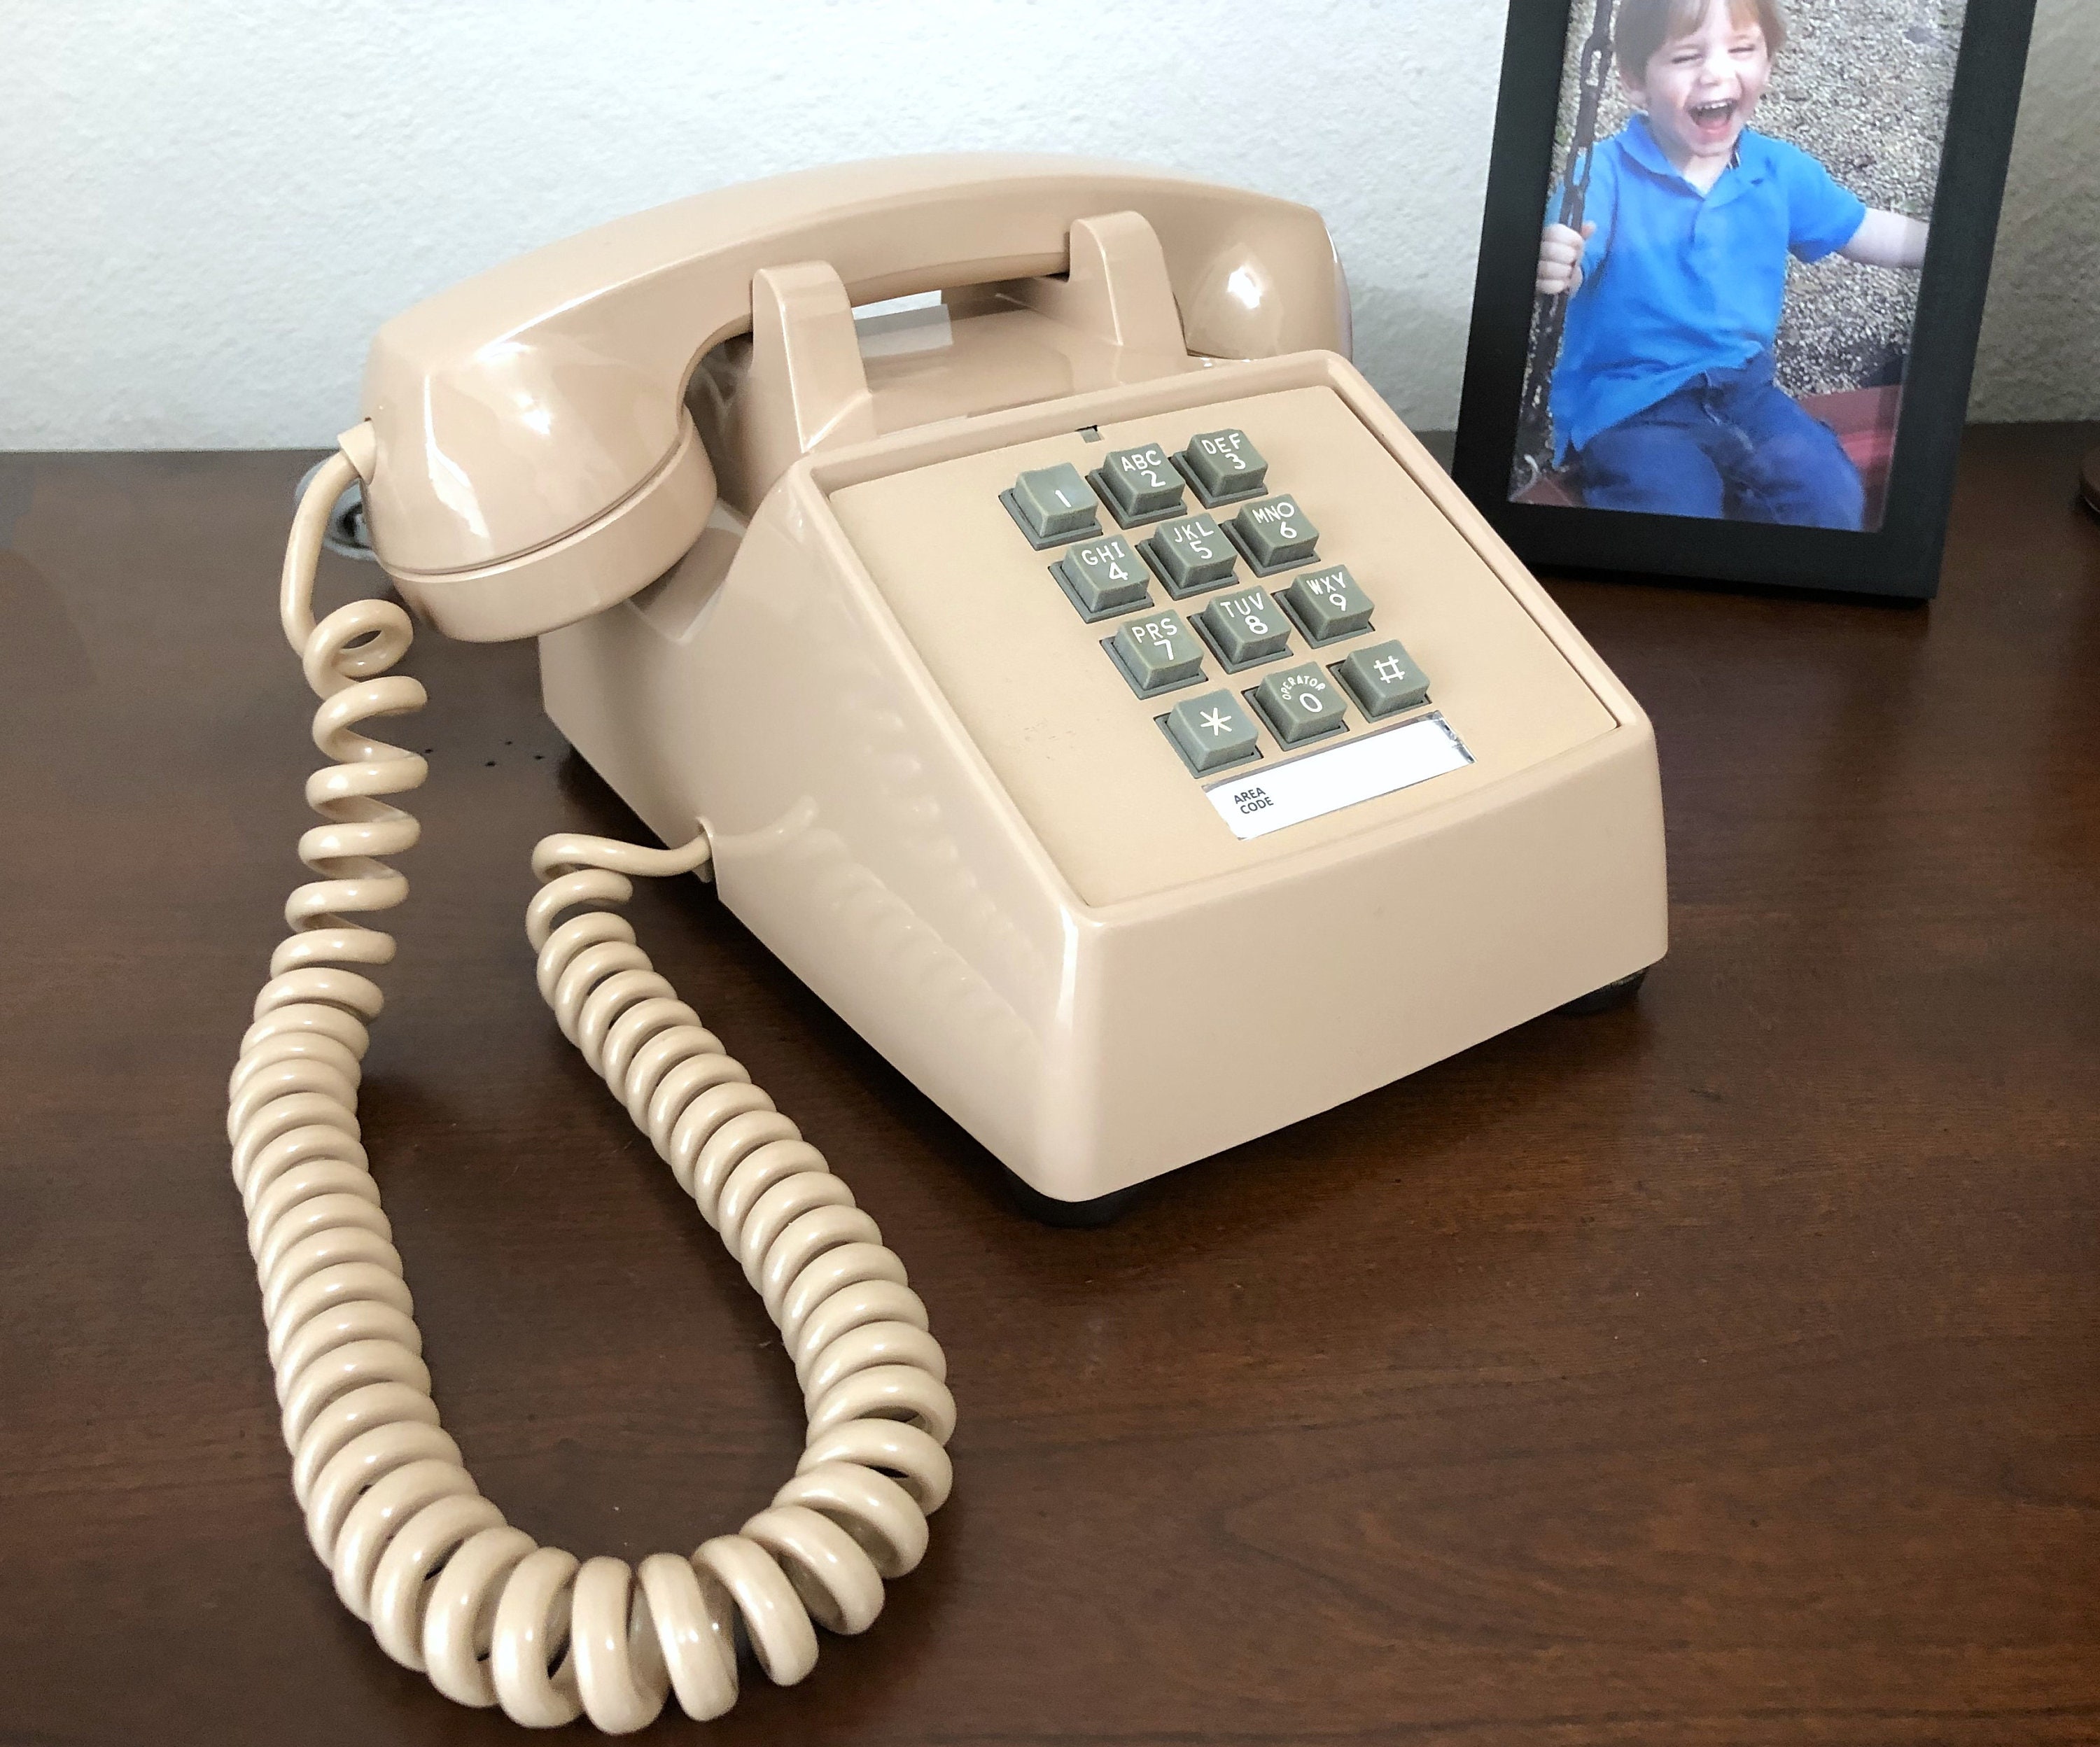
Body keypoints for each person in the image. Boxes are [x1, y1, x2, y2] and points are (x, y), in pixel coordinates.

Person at [1534, 0, 1928, 528]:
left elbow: (1859, 229)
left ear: (1767, 65)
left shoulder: (1779, 170)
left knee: (1826, 490)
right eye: (1686, 56)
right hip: (1632, 403)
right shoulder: (1603, 173)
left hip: (1746, 392)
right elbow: (1578, 252)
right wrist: (1563, 263)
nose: (1717, 72)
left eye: (1742, 50)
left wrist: (1948, 245)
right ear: (1633, 82)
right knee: (1672, 504)